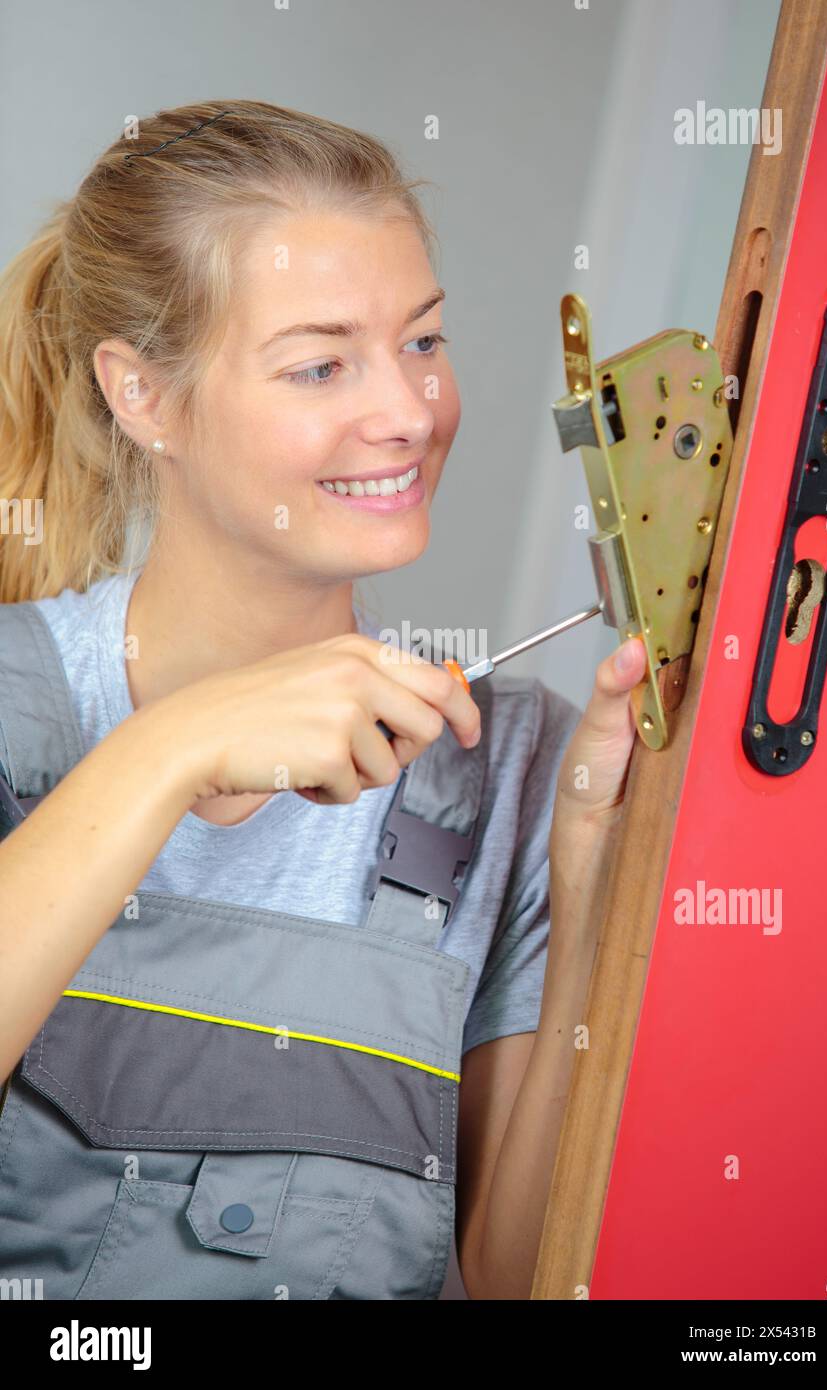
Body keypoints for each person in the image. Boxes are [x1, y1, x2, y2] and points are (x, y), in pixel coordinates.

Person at [0, 99, 646, 1301]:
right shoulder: (16, 700)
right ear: (141, 394)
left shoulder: (510, 769)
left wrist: (594, 898)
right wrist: (171, 748)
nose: (408, 412)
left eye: (424, 341)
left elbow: (516, 1281)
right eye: (319, 363)